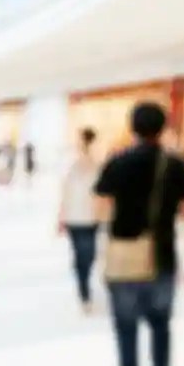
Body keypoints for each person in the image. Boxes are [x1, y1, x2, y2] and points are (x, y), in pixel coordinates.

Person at [94, 102, 184, 366]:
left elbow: (101, 208)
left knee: (126, 336)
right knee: (161, 329)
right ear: (164, 128)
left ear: (132, 128)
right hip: (163, 261)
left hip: (125, 263)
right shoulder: (175, 165)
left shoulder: (117, 162)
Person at [58, 128, 101, 313]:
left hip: (91, 216)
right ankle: (84, 291)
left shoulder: (96, 163)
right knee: (80, 255)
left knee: (88, 255)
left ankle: (84, 286)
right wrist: (60, 217)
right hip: (75, 217)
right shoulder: (71, 164)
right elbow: (65, 192)